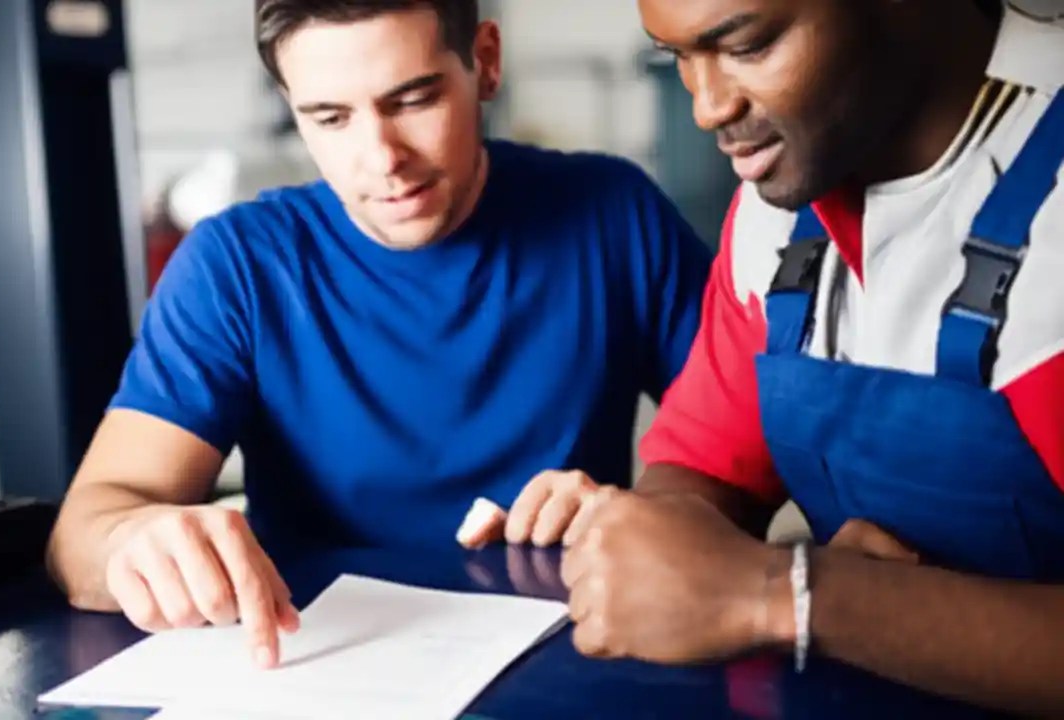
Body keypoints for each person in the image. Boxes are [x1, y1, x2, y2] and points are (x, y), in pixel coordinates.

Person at [46, 0, 712, 669]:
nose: (381, 159)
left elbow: (743, 464)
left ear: (485, 61)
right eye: (329, 117)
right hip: (318, 671)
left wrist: (644, 516)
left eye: (413, 100)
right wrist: (138, 542)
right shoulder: (236, 267)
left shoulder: (615, 215)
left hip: (575, 661)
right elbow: (82, 536)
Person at [560, 0, 1064, 716]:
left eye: (749, 45)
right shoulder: (777, 205)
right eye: (677, 56)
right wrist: (654, 550)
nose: (706, 106)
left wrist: (793, 596)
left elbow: (777, 589)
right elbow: (700, 466)